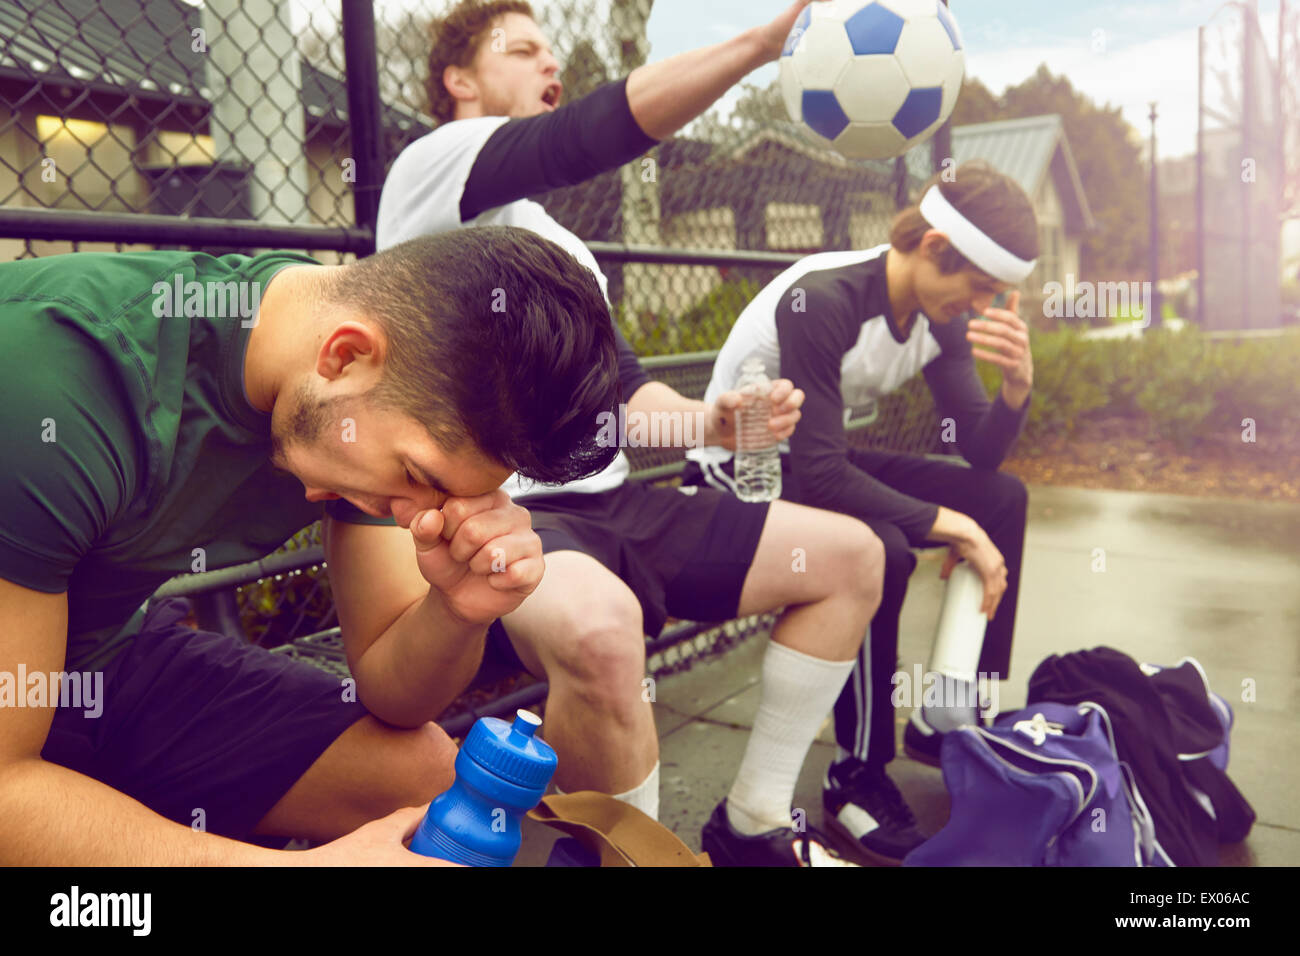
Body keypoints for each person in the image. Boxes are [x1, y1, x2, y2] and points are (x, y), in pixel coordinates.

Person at [364, 0, 885, 865]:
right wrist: (762, 44)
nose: (547, 64)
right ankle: (612, 859)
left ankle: (753, 822)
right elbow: (578, 138)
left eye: (551, 52)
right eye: (522, 49)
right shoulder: (431, 174)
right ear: (458, 81)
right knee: (604, 630)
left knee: (851, 557)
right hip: (512, 524)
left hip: (623, 512)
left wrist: (710, 422)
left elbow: (623, 394)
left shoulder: (562, 244)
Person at [0, 226, 623, 864]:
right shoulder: (56, 377)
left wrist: (458, 609)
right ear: (344, 356)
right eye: (418, 479)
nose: (417, 519)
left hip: (98, 657)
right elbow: (4, 788)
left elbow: (393, 693)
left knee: (422, 782)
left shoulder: (364, 387)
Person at [686, 162, 1037, 863]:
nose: (980, 306)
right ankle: (857, 775)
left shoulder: (935, 319)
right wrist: (951, 526)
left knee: (1003, 500)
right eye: (977, 288)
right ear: (936, 247)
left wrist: (1017, 390)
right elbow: (818, 474)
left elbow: (981, 458)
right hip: (739, 473)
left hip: (808, 462)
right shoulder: (826, 298)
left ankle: (948, 712)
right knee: (883, 546)